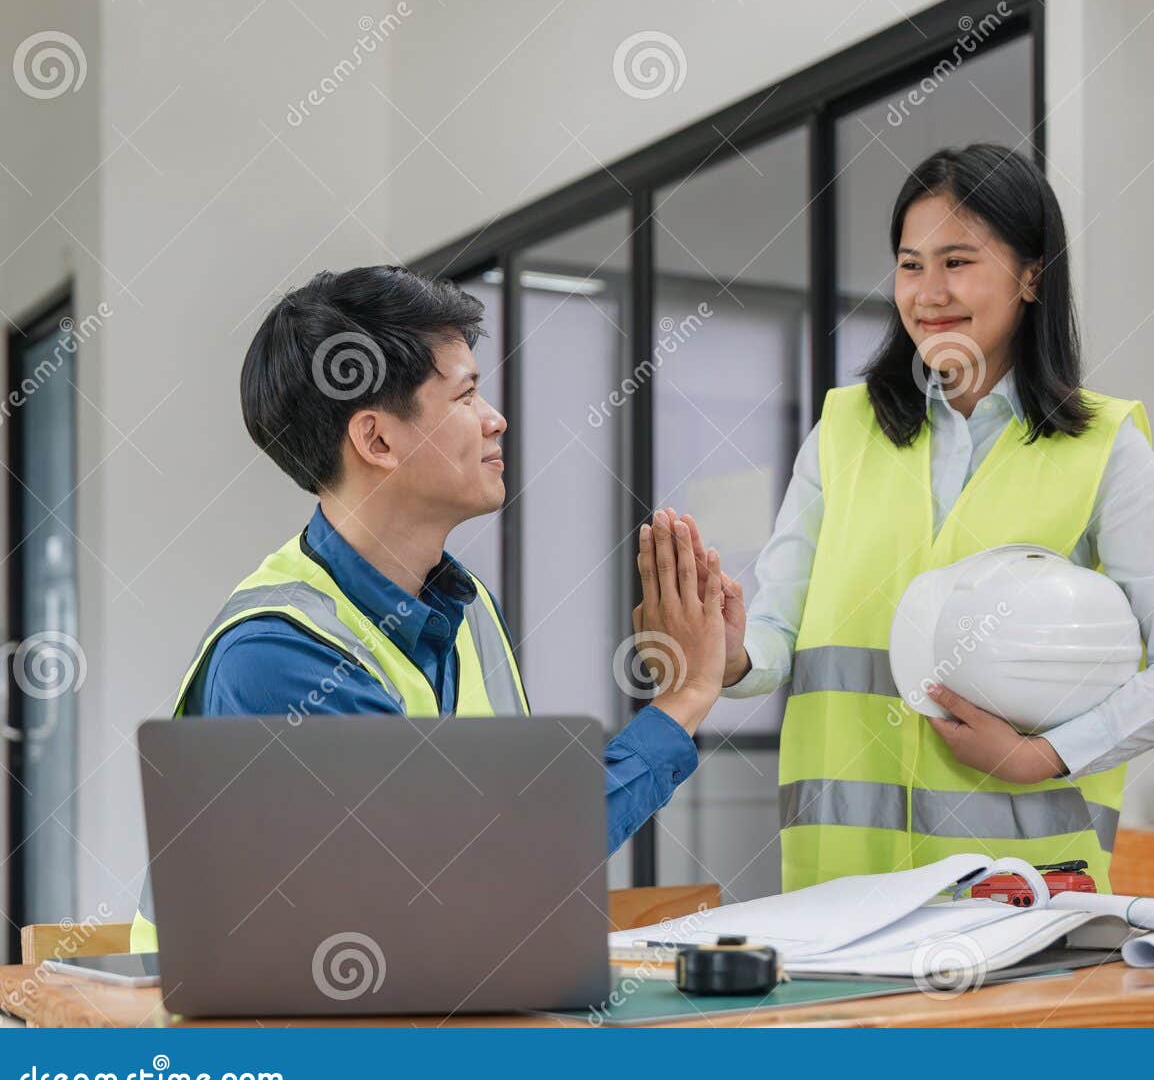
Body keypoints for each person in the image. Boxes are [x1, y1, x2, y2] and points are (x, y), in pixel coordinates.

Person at [673, 143, 1154, 893]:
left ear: (1032, 274)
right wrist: (731, 655)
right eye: (910, 264)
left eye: (957, 261)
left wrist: (1049, 754)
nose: (927, 293)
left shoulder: (1103, 445)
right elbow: (777, 635)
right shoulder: (844, 431)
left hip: (1022, 895)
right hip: (845, 895)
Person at [130, 266, 725, 951]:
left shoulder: (467, 610)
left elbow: (512, 828)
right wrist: (682, 701)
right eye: (467, 395)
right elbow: (475, 869)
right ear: (377, 441)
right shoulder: (278, 653)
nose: (495, 419)